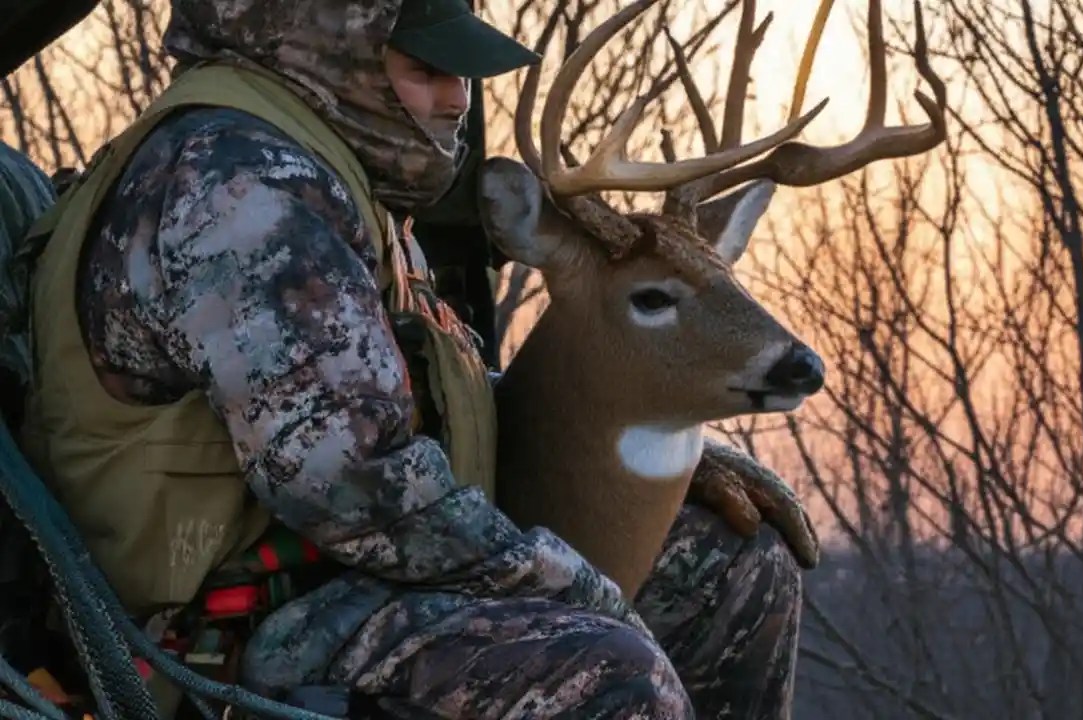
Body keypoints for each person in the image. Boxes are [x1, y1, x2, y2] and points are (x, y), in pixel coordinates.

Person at [17, 0, 821, 717]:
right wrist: (586, 591)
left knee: (731, 566)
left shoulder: (337, 172)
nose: (456, 99)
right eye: (425, 70)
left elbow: (377, 389)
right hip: (229, 627)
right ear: (331, 50)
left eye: (461, 75)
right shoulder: (240, 184)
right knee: (607, 675)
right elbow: (355, 482)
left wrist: (673, 451)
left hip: (341, 576)